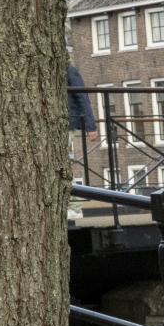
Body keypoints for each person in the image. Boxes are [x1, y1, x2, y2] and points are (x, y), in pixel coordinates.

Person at [66, 62, 99, 220]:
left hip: (66, 123)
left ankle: (75, 207)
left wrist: (90, 126)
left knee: (63, 163)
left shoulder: (70, 70)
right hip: (61, 122)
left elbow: (82, 96)